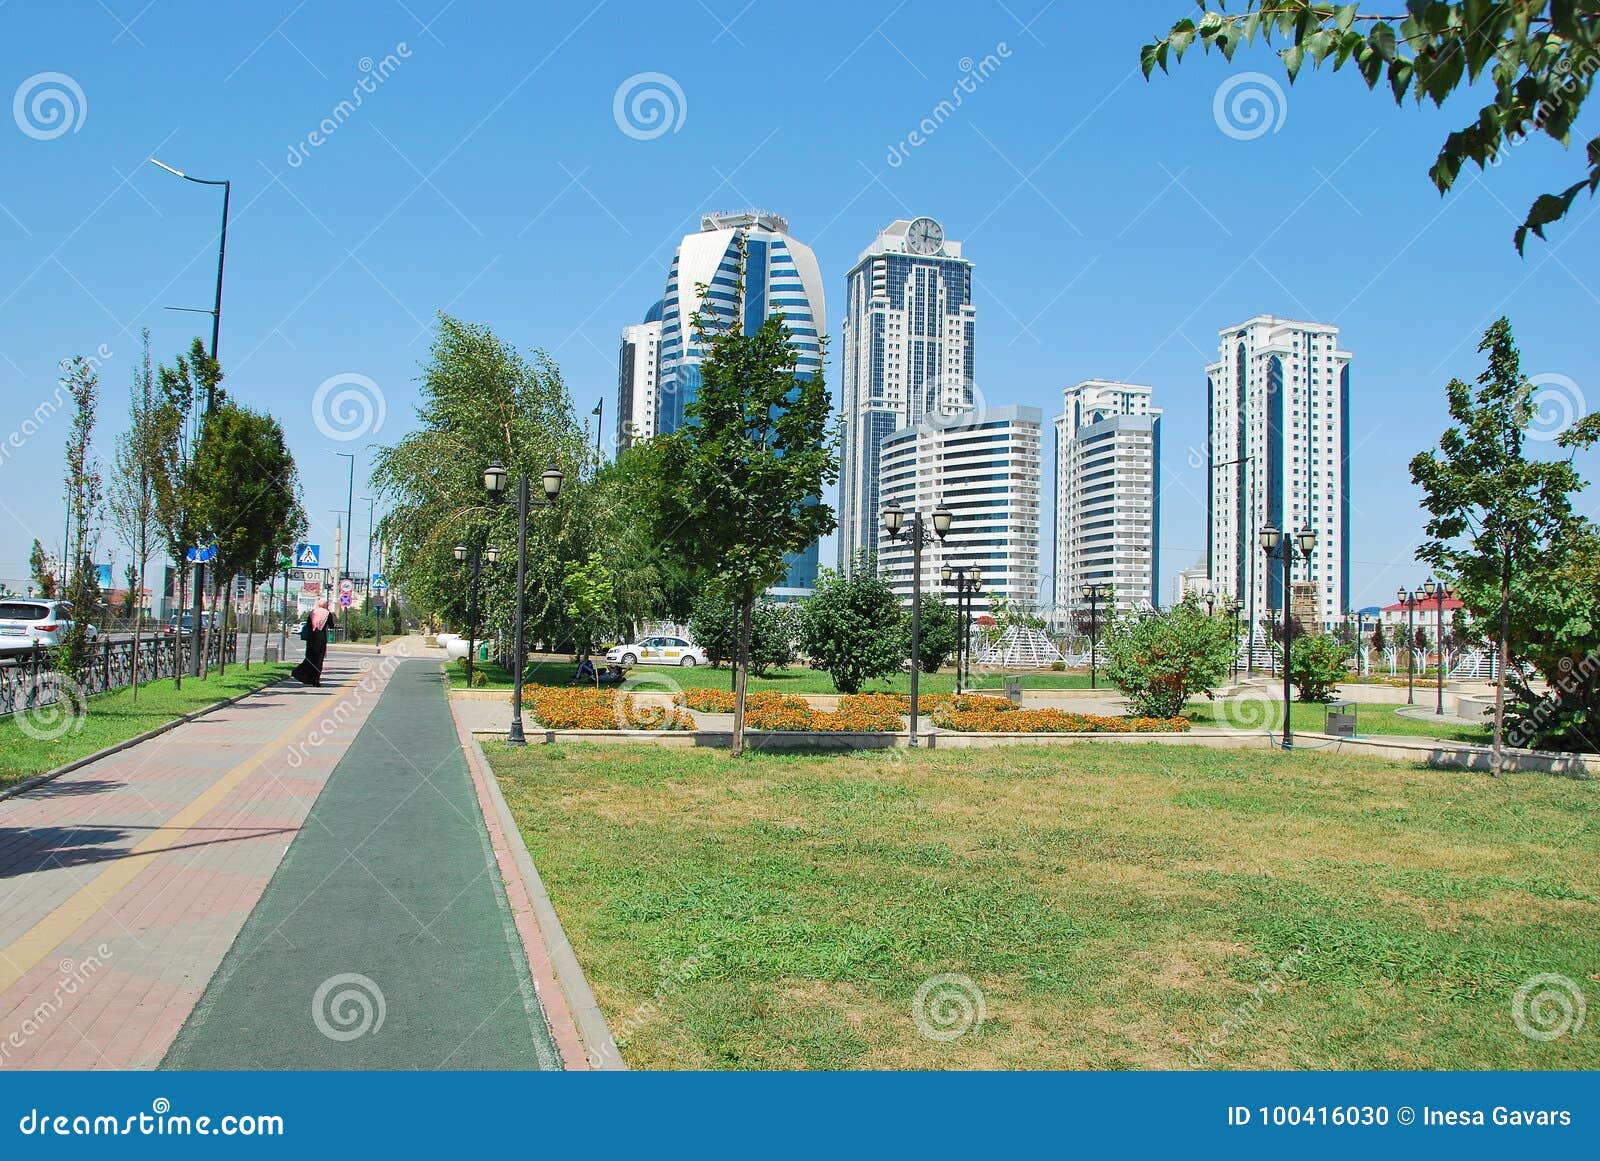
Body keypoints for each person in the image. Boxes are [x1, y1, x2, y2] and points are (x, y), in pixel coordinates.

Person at [292, 600, 331, 686]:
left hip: (311, 639)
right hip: (321, 639)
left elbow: (308, 625)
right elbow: (331, 625)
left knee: (310, 657)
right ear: (325, 605)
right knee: (319, 660)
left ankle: (301, 673)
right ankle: (315, 680)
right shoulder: (327, 613)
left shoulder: (313, 612)